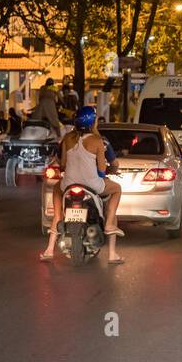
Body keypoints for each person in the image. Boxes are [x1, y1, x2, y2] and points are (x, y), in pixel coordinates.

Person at [40, 106, 124, 264]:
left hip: (69, 183)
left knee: (58, 194)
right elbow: (101, 169)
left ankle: (50, 248)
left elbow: (63, 165)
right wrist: (103, 174)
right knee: (117, 189)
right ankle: (109, 228)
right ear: (93, 122)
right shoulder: (98, 141)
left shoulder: (67, 139)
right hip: (92, 184)